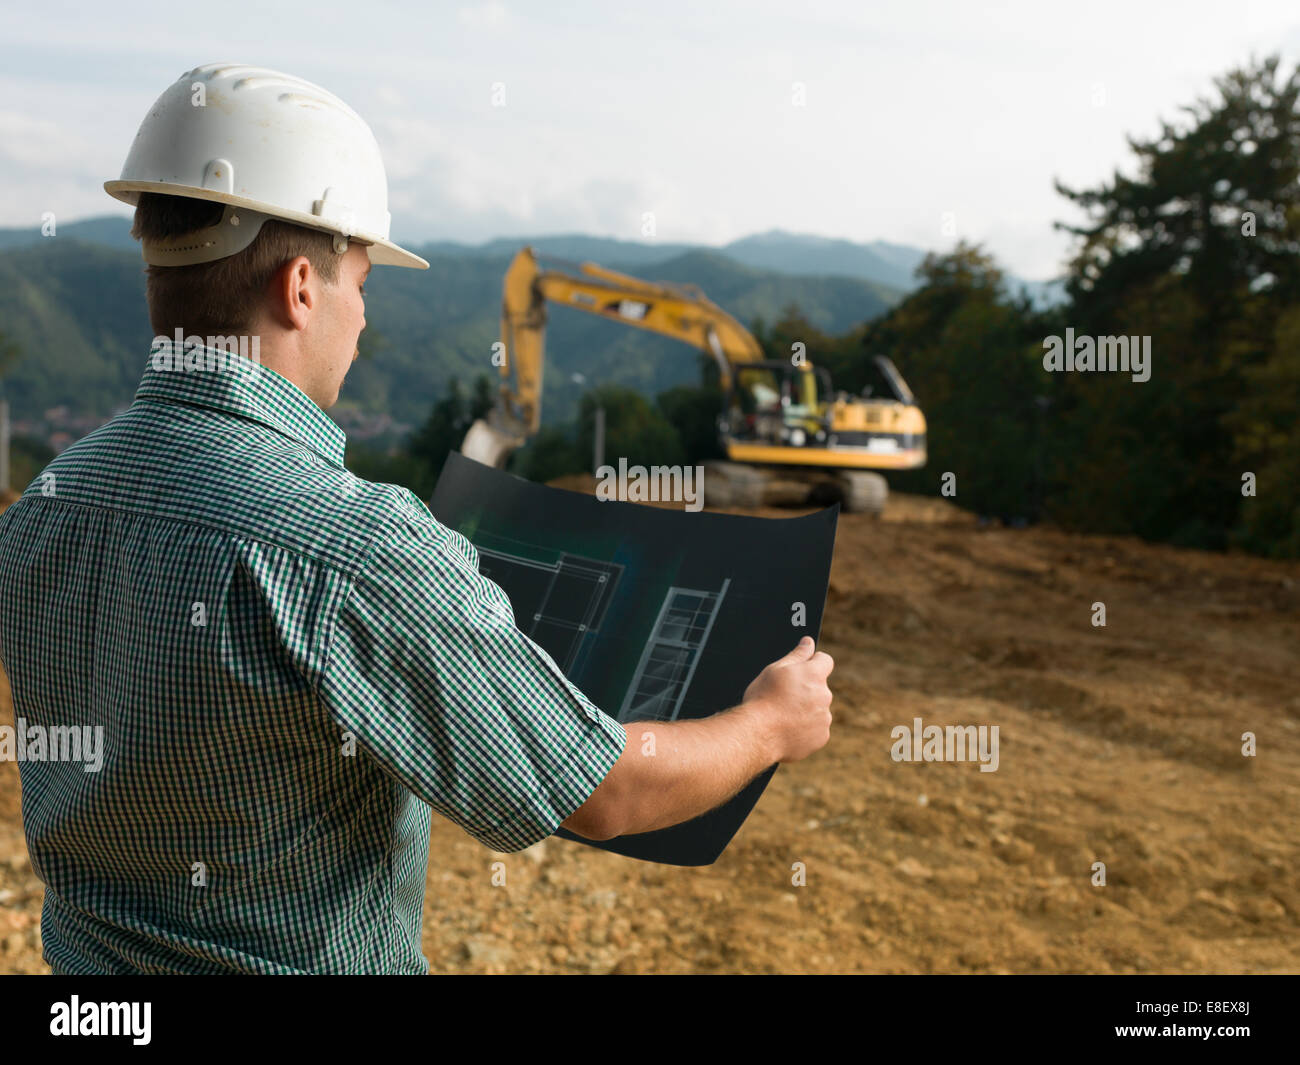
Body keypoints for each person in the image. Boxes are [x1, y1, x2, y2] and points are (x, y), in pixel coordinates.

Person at [0, 64, 834, 974]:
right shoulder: (355, 549)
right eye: (362, 281)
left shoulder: (46, 505)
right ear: (300, 289)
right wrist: (770, 724)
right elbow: (605, 791)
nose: (362, 321)